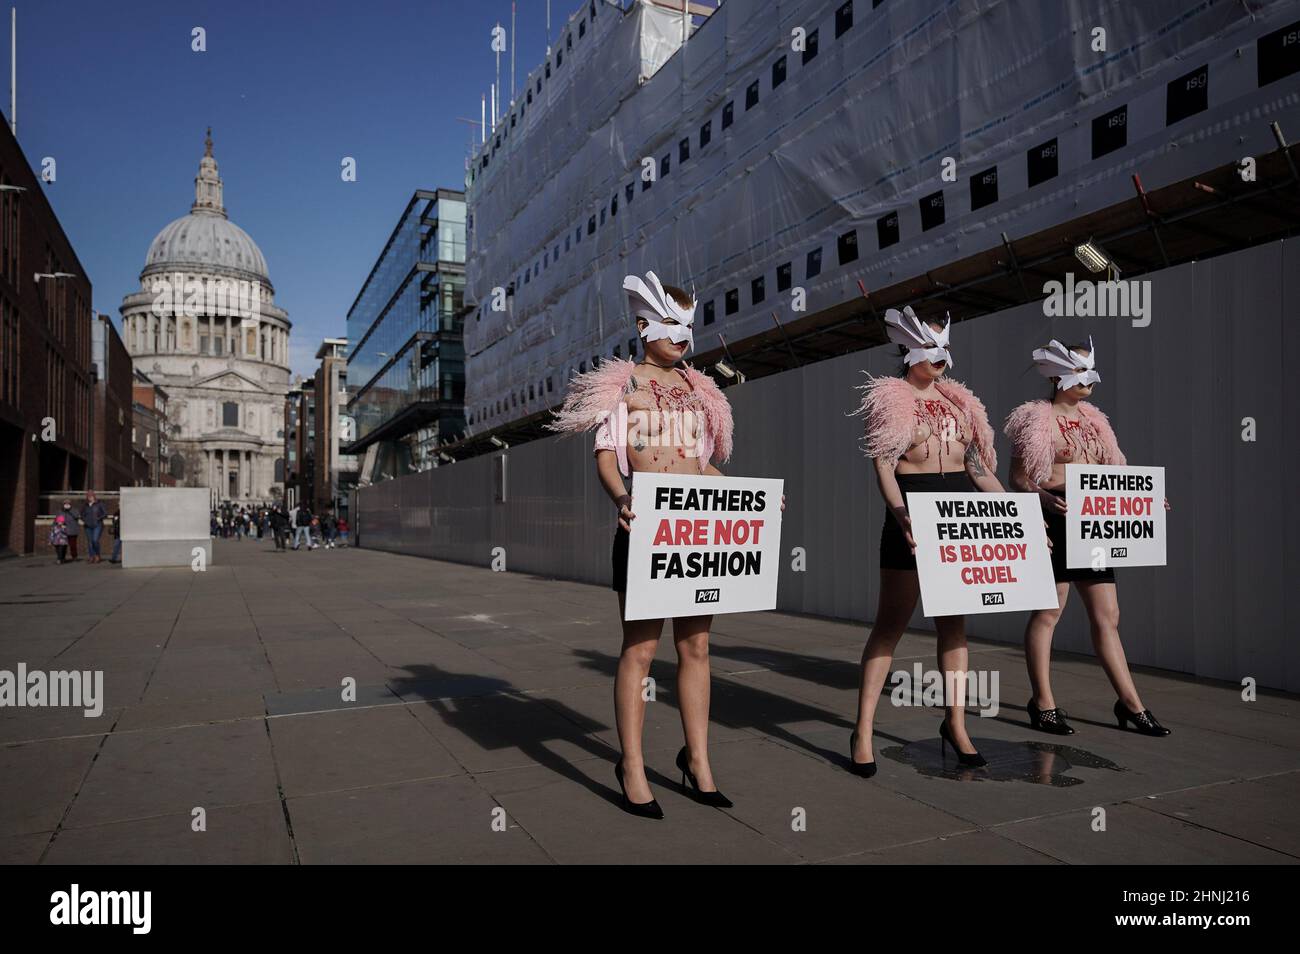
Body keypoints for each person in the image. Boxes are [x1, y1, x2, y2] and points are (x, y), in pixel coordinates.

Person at [550, 270, 740, 820]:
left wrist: (749, 498)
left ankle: (697, 760)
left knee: (696, 648)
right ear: (642, 324)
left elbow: (703, 463)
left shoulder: (699, 388)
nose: (683, 337)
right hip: (646, 523)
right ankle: (631, 766)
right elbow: (607, 455)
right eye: (671, 325)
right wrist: (621, 499)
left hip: (696, 524)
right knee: (640, 649)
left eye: (689, 327)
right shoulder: (620, 385)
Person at [849, 306, 1005, 777]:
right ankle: (863, 730)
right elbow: (883, 465)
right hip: (913, 517)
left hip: (963, 516)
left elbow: (979, 468)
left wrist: (1020, 513)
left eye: (944, 344)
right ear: (907, 348)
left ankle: (955, 724)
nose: (940, 354)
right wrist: (901, 515)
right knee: (890, 625)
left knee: (953, 627)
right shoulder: (891, 400)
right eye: (930, 343)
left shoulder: (961, 404)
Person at [1004, 338, 1171, 737]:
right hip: (1056, 516)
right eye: (1079, 370)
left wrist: (1146, 498)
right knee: (1049, 612)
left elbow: (1116, 468)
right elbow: (1017, 478)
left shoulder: (1096, 419)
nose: (1089, 379)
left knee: (1108, 616)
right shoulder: (1034, 418)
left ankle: (1131, 704)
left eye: (1089, 369)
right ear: (1058, 374)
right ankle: (1042, 703)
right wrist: (1041, 497)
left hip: (1094, 518)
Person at [81, 491, 108, 564]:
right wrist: (85, 520)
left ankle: (97, 555)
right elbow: (82, 514)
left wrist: (98, 518)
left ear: (94, 496)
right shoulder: (85, 505)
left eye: (91, 496)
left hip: (97, 525)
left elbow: (105, 514)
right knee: (90, 542)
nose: (90, 497)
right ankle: (91, 556)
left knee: (95, 540)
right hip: (88, 526)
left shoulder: (99, 504)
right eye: (88, 496)